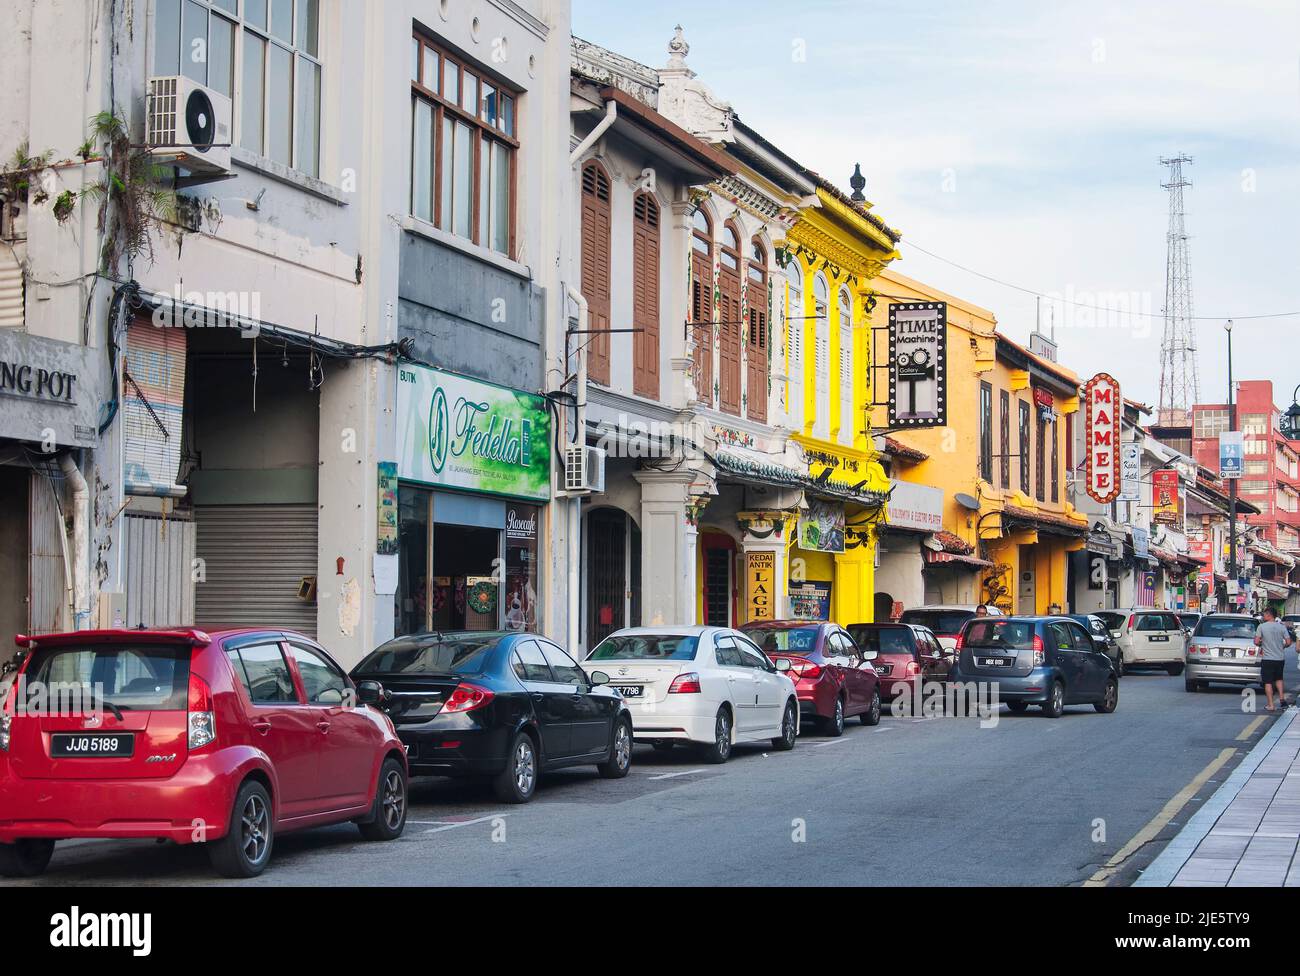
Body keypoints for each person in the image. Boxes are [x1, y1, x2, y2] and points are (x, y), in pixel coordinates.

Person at [1254, 607, 1294, 712]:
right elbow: (1289, 642)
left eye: (1264, 614)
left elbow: (1256, 641)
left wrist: (1262, 643)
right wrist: (1282, 646)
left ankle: (1271, 705)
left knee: (1268, 682)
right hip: (1280, 658)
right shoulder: (1281, 627)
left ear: (1268, 615)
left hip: (1267, 659)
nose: (1263, 616)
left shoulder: (1261, 627)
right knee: (1279, 679)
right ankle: (1282, 700)